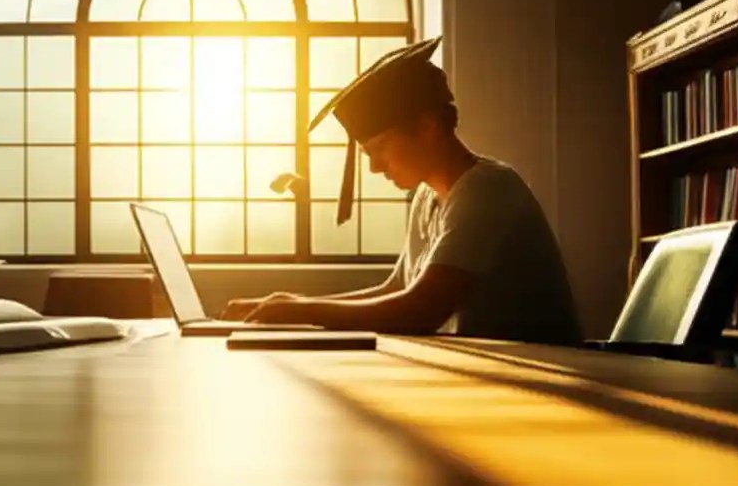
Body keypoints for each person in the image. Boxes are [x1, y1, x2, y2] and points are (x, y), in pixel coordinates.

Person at [222, 37, 582, 345]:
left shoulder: (487, 188)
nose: (375, 167)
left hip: (538, 372)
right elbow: (397, 289)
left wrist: (301, 311)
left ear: (427, 127)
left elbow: (421, 309)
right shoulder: (428, 196)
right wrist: (293, 305)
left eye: (379, 149)